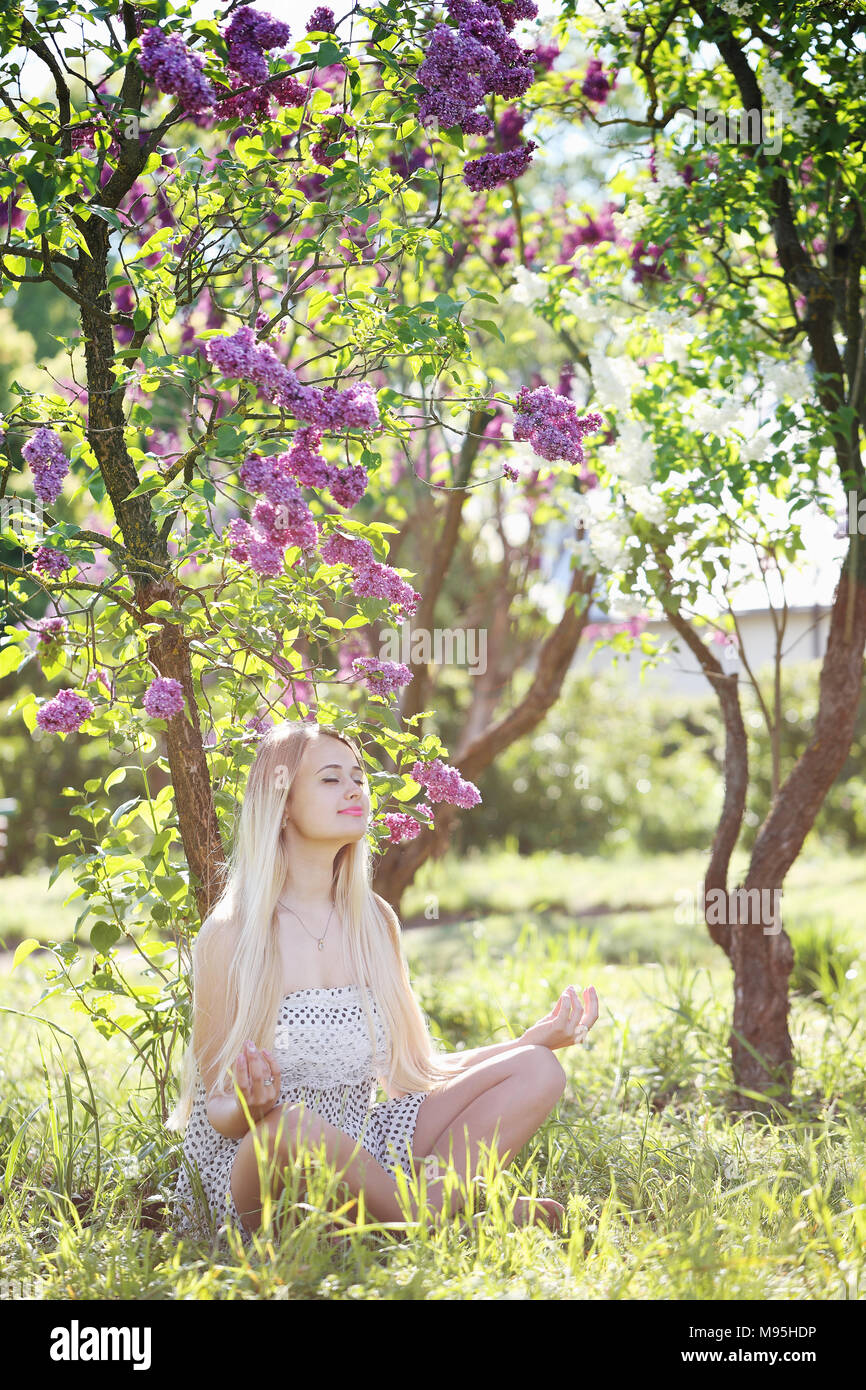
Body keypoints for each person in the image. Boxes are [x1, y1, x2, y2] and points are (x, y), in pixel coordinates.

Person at [166, 720, 599, 1246]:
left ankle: (399, 1221)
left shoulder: (374, 921)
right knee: (288, 1126)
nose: (354, 790)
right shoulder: (231, 934)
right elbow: (214, 1110)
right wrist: (249, 1106)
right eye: (330, 779)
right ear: (279, 804)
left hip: (362, 1146)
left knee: (538, 1070)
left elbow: (414, 1074)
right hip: (256, 1171)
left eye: (358, 778)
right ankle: (435, 1217)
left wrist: (532, 1042)